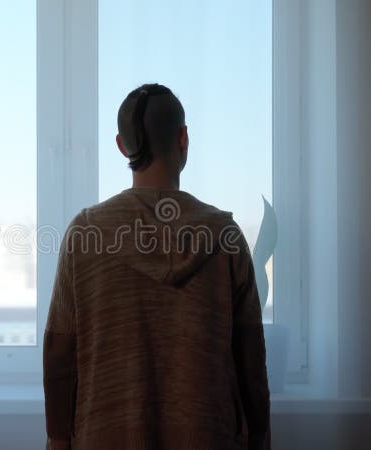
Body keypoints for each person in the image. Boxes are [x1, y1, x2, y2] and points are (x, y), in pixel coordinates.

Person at [43, 83, 270, 450]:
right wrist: (259, 434)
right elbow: (250, 355)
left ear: (122, 146)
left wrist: (57, 437)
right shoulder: (225, 236)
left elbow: (60, 351)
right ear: (183, 139)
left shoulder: (84, 235)